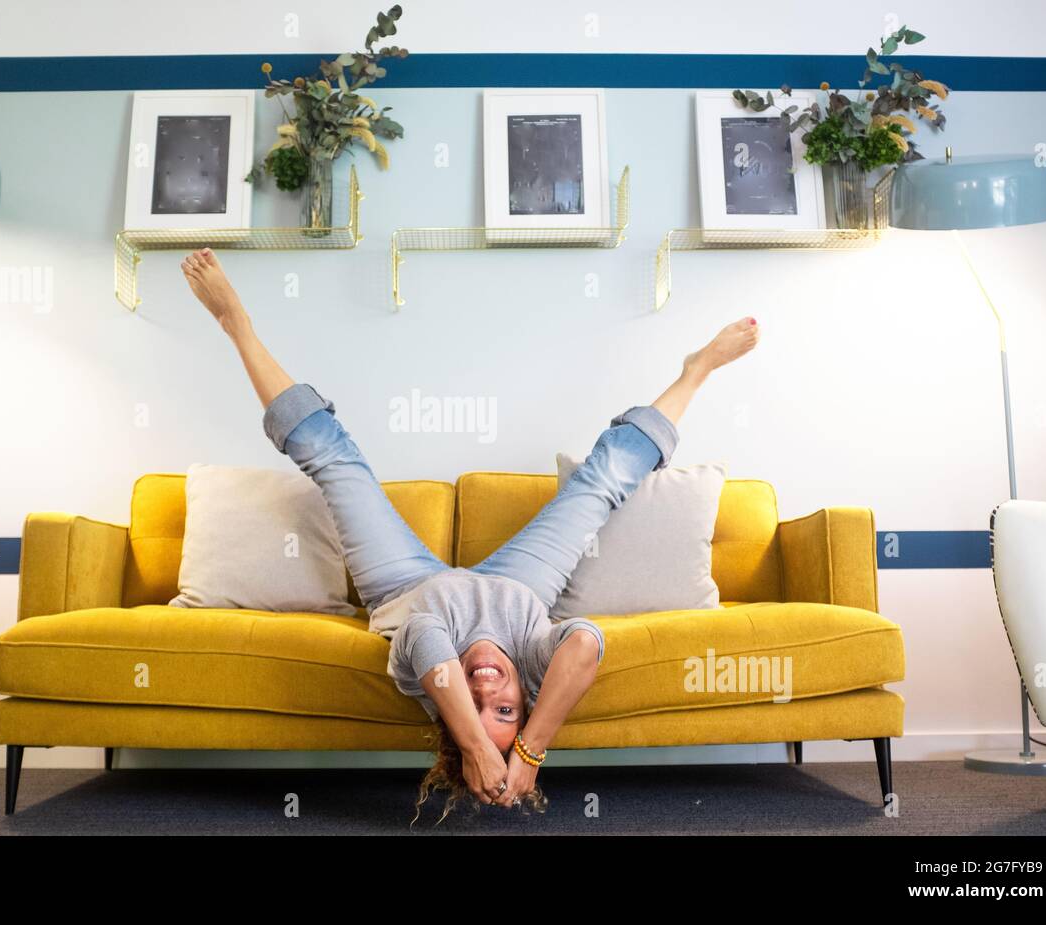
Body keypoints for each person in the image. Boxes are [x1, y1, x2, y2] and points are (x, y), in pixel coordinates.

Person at [180, 248, 760, 819]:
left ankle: (237, 325)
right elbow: (583, 642)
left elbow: (430, 631)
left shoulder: (420, 675)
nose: (486, 686)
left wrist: (481, 746)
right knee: (603, 478)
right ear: (524, 704)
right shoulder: (534, 661)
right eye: (503, 709)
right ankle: (697, 369)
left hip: (402, 587)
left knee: (333, 458)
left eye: (473, 703)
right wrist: (529, 753)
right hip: (520, 590)